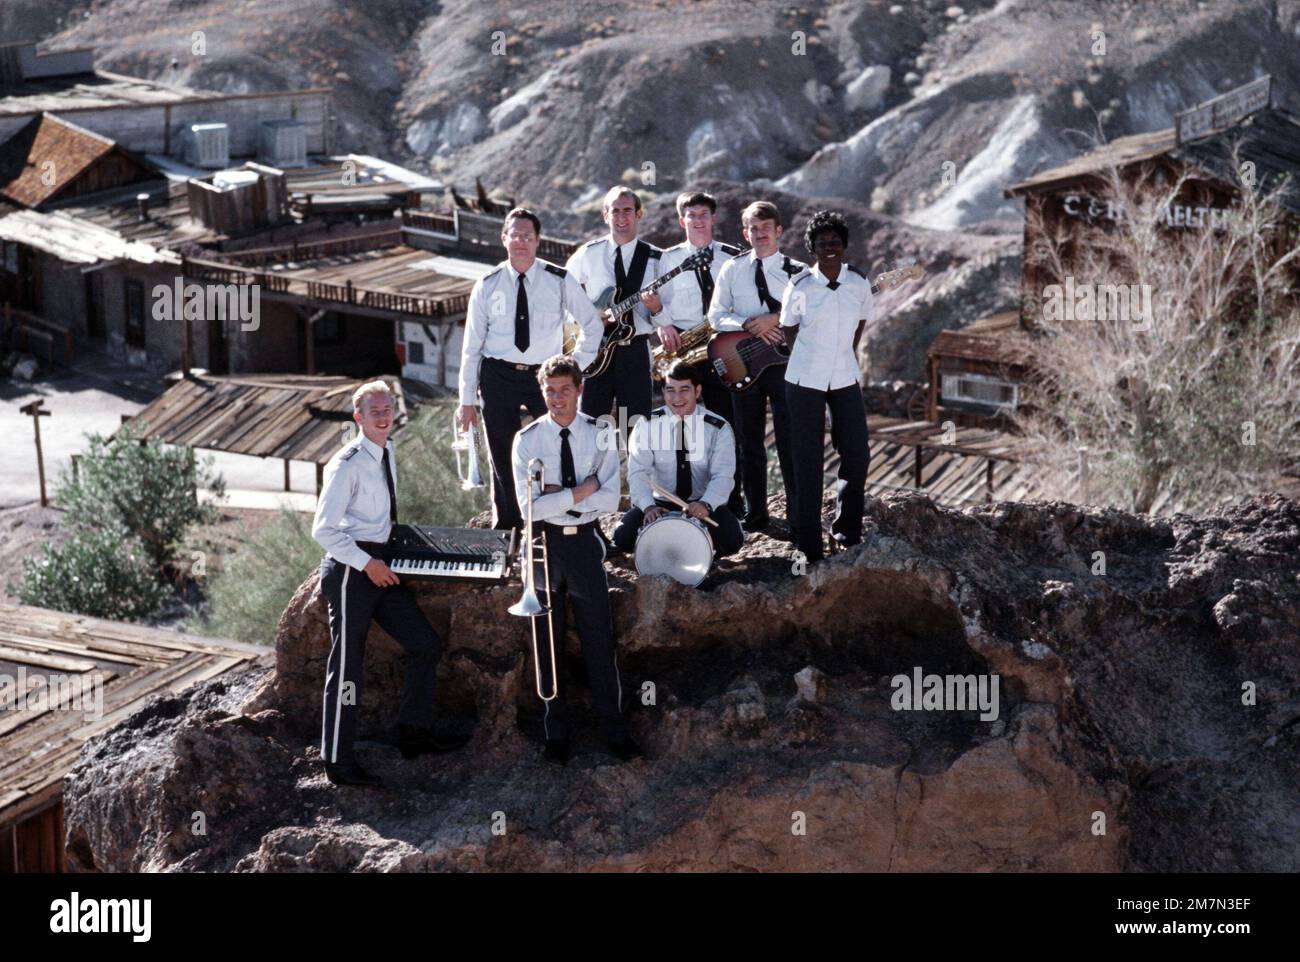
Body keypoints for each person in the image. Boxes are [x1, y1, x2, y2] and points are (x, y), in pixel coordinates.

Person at [312, 381, 465, 788]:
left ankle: (412, 734)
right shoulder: (346, 463)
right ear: (357, 418)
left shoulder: (387, 450)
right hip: (350, 568)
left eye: (387, 408)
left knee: (425, 645)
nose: (383, 416)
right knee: (347, 665)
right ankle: (337, 762)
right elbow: (323, 531)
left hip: (382, 562)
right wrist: (367, 565)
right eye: (373, 411)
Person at [511, 354, 642, 765]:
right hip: (545, 545)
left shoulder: (600, 433)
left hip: (585, 543)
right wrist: (578, 492)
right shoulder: (527, 440)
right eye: (549, 390)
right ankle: (556, 734)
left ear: (580, 390)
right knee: (546, 641)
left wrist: (556, 495)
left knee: (598, 639)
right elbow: (527, 507)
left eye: (564, 389)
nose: (556, 398)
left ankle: (613, 730)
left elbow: (608, 498)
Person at [458, 207, 603, 531]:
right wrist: (466, 400)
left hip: (545, 376)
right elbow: (471, 347)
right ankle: (509, 524)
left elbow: (593, 325)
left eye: (527, 236)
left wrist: (572, 368)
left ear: (538, 241)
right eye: (515, 235)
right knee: (503, 450)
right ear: (504, 238)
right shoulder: (487, 284)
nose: (520, 242)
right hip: (498, 374)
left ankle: (561, 518)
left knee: (557, 443)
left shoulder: (558, 279)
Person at [779, 210, 874, 563]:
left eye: (835, 242)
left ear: (844, 245)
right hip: (805, 379)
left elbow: (861, 321)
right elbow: (789, 328)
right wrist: (806, 357)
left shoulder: (858, 283)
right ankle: (808, 544)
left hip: (844, 375)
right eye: (822, 243)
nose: (829, 248)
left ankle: (846, 530)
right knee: (807, 460)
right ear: (812, 248)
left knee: (857, 453)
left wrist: (843, 352)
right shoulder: (800, 286)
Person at [709, 200, 805, 532]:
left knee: (789, 440)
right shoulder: (732, 270)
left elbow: (811, 314)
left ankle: (797, 516)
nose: (760, 233)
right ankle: (756, 513)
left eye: (766, 227)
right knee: (748, 443)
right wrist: (749, 324)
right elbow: (716, 315)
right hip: (744, 362)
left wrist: (775, 319)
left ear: (779, 231)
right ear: (744, 233)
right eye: (753, 228)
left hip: (785, 365)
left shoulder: (800, 272)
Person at [655, 190, 745, 517]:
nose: (697, 221)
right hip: (684, 348)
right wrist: (663, 325)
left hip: (721, 346)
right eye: (691, 215)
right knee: (683, 427)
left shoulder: (732, 258)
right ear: (682, 221)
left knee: (726, 424)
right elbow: (656, 302)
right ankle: (682, 498)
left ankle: (732, 502)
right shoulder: (668, 259)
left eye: (703, 215)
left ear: (713, 218)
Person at [611, 361, 744, 560]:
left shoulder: (718, 427)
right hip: (660, 504)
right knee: (623, 537)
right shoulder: (646, 425)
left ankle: (698, 551)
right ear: (663, 392)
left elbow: (723, 476)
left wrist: (706, 504)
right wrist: (648, 507)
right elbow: (638, 473)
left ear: (697, 391)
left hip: (700, 504)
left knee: (732, 540)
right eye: (670, 390)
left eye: (684, 390)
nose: (677, 398)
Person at [565, 186, 663, 436]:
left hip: (635, 353)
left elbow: (667, 314)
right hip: (595, 352)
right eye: (615, 211)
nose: (621, 217)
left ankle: (636, 476)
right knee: (589, 427)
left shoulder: (655, 259)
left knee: (637, 431)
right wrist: (580, 330)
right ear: (605, 215)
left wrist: (657, 309)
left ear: (639, 214)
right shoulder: (588, 254)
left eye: (628, 210)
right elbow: (562, 297)